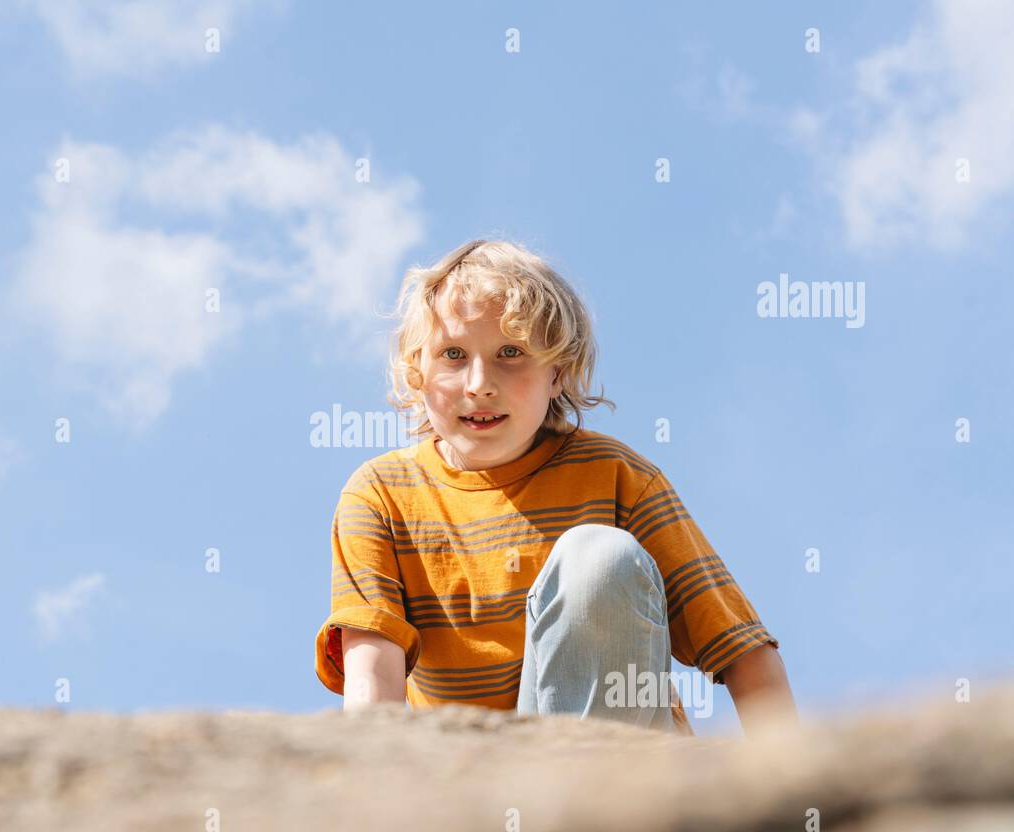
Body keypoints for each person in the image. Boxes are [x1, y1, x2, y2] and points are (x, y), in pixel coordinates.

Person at [315, 238, 798, 736]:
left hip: (626, 762)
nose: (479, 383)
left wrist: (793, 795)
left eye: (510, 353)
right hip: (471, 782)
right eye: (453, 354)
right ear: (419, 372)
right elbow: (372, 676)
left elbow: (742, 651)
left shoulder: (615, 476)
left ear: (558, 375)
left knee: (598, 556)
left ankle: (600, 791)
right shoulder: (380, 494)